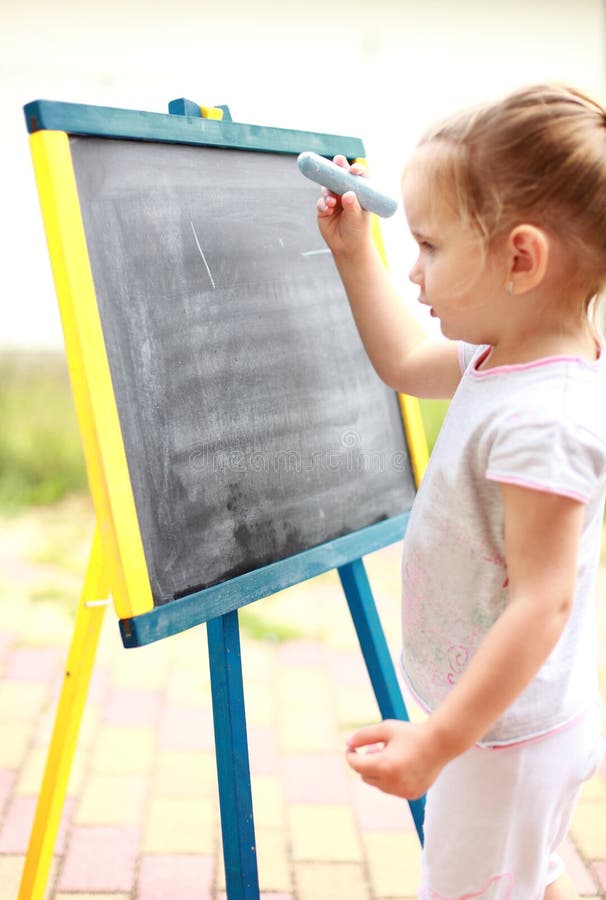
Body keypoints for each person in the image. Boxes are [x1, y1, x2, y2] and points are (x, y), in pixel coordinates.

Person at [315, 84, 606, 900]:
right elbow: (406, 364)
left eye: (432, 248)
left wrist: (440, 743)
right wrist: (353, 254)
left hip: (502, 741)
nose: (415, 271)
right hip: (516, 723)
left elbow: (540, 602)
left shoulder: (545, 421)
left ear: (521, 258)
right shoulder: (503, 357)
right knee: (527, 876)